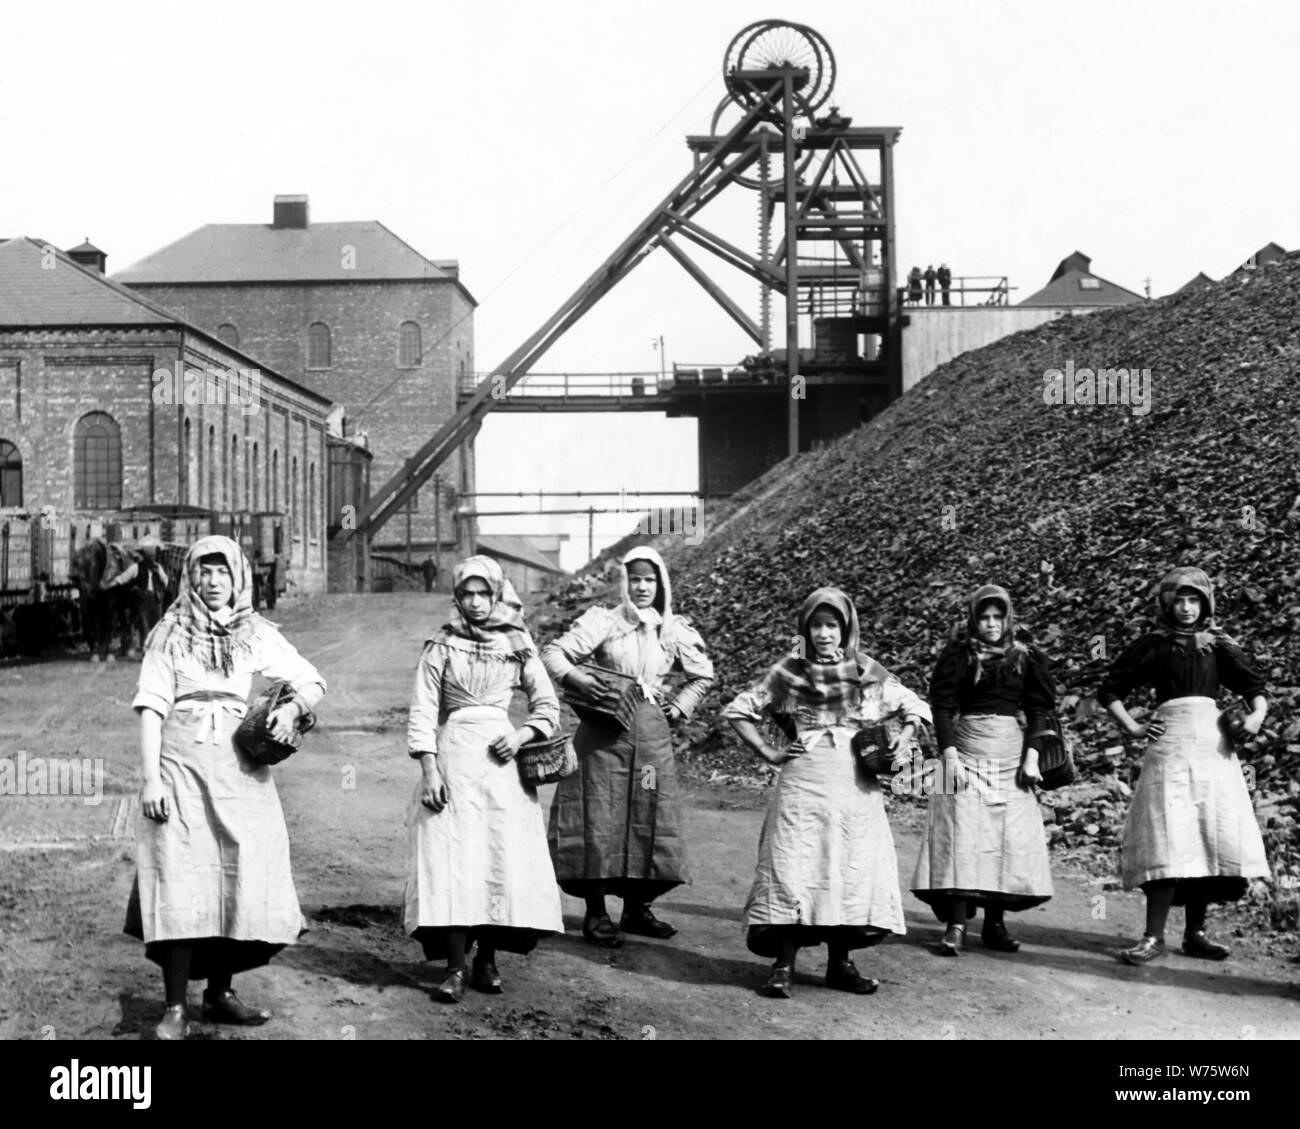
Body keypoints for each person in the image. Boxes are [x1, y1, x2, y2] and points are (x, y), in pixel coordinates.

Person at [124, 535, 325, 1040]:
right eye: (204, 572)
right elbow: (151, 709)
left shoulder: (255, 633)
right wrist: (152, 780)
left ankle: (219, 992)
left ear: (239, 579)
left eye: (223, 573)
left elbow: (311, 679)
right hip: (181, 766)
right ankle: (175, 1008)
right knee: (179, 875)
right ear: (191, 577)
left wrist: (291, 707)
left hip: (239, 771)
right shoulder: (168, 634)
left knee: (237, 873)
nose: (214, 583)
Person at [723, 587, 929, 998]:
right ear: (806, 629)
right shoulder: (789, 672)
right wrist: (770, 752)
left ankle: (841, 964)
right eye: (816, 625)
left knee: (848, 869)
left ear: (846, 628)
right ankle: (783, 965)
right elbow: (738, 710)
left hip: (855, 787)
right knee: (793, 868)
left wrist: (904, 739)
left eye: (832, 625)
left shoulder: (867, 671)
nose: (824, 633)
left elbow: (915, 707)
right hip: (802, 784)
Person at [405, 555, 562, 1002]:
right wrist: (430, 769)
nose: (475, 602)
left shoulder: (517, 643)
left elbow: (546, 705)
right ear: (457, 597)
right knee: (455, 860)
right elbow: (422, 710)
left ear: (496, 595)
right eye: (467, 594)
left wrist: (522, 735)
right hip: (455, 758)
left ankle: (487, 959)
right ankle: (454, 967)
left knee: (498, 858)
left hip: (503, 765)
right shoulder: (440, 644)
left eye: (483, 594)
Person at [1096, 566, 1270, 965]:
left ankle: (1196, 934)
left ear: (1205, 603)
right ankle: (1152, 937)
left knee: (1206, 835)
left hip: (1213, 749)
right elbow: (1111, 689)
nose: (1187, 608)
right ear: (1167, 603)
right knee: (1168, 834)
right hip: (1170, 746)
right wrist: (1135, 727)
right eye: (1180, 600)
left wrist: (1256, 716)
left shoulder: (1219, 645)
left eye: (1194, 600)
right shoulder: (1154, 645)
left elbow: (1255, 689)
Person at [542, 546, 714, 946]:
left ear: (661, 583)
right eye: (634, 579)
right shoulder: (605, 622)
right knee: (598, 815)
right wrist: (578, 680)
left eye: (649, 579)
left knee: (647, 810)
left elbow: (703, 674)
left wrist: (678, 707)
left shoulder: (671, 629)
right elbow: (553, 653)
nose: (641, 587)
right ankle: (597, 912)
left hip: (650, 741)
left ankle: (637, 909)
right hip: (602, 738)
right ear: (624, 582)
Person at [911, 585, 1057, 956]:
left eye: (997, 617)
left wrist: (1032, 757)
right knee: (960, 833)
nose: (991, 624)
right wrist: (949, 756)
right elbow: (942, 706)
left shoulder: (1025, 655)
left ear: (1007, 618)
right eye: (984, 617)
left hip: (1010, 751)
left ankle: (995, 924)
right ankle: (956, 925)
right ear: (973, 619)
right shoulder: (959, 654)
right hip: (964, 749)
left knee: (1006, 838)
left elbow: (1039, 708)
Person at [104, 536, 170, 657]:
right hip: (144, 600)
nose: (152, 559)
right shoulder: (137, 567)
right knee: (144, 628)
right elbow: (123, 578)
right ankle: (147, 654)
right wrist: (110, 584)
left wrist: (159, 573)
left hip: (156, 599)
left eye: (153, 557)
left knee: (155, 628)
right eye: (150, 557)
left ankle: (154, 653)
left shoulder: (158, 568)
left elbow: (165, 582)